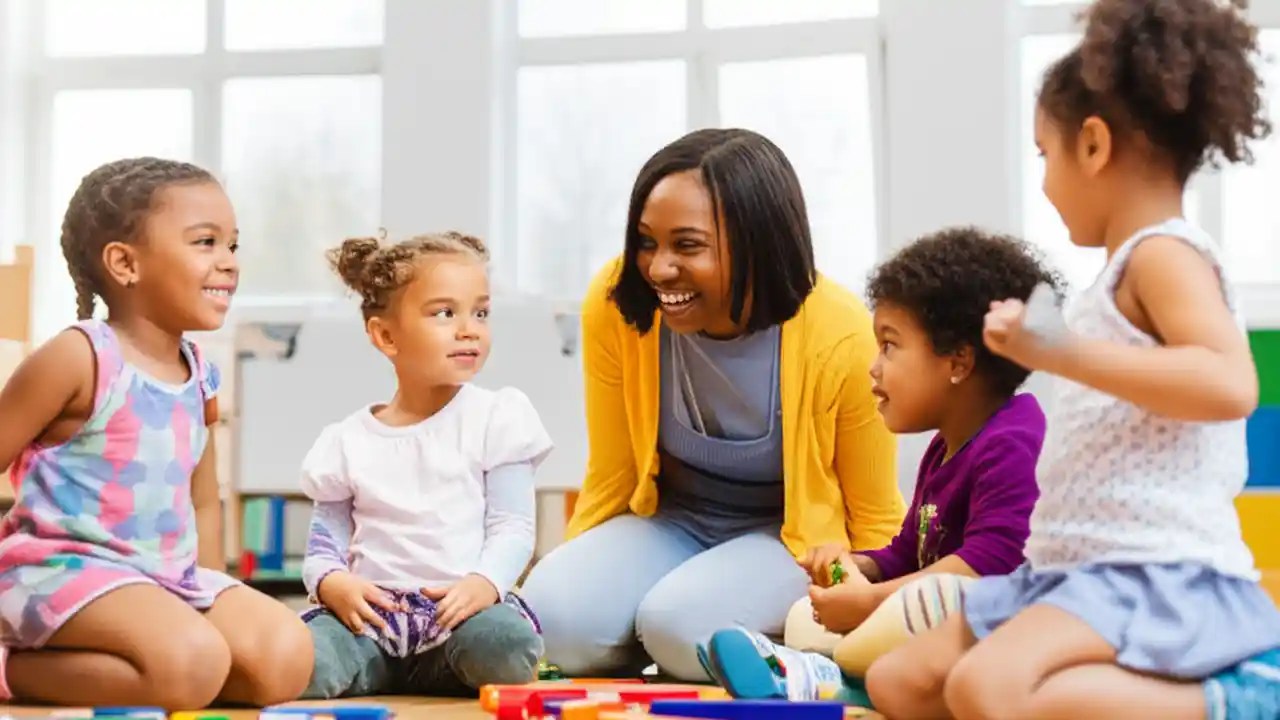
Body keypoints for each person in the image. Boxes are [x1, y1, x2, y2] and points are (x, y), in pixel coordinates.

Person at [866, 2, 1280, 718]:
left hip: (1151, 571)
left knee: (984, 687)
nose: (1046, 181)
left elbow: (1230, 383)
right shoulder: (1124, 268)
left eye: (1043, 155)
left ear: (1092, 146)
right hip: (1068, 571)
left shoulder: (1165, 255)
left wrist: (1063, 351)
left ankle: (1234, 699)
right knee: (899, 681)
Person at [520, 128, 905, 681]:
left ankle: (800, 665)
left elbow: (873, 513)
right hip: (672, 520)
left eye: (688, 245)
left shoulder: (843, 335)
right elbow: (611, 473)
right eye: (647, 241)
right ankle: (657, 642)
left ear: (758, 243)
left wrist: (872, 615)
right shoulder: (619, 304)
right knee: (551, 619)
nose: (658, 268)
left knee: (678, 626)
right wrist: (577, 575)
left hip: (790, 539)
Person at [0, 157, 312, 709]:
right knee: (191, 665)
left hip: (165, 577)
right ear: (125, 263)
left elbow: (203, 499)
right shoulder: (79, 356)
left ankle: (173, 667)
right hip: (62, 571)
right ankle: (12, 670)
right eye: (205, 243)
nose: (228, 264)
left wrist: (215, 595)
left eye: (232, 246)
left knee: (285, 657)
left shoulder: (200, 372)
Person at [702, 227, 1056, 702]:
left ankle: (816, 677)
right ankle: (825, 673)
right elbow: (908, 554)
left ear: (958, 362)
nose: (873, 366)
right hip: (934, 624)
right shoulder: (946, 446)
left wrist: (868, 602)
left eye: (889, 346)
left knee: (916, 608)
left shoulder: (1014, 440)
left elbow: (988, 567)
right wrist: (857, 567)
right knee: (805, 616)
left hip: (999, 624)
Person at [297, 231, 552, 699]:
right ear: (386, 335)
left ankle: (439, 666)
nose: (469, 329)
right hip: (368, 622)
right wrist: (333, 584)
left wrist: (485, 584)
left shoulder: (497, 417)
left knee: (505, 644)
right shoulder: (346, 441)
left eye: (481, 312)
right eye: (444, 313)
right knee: (300, 659)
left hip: (460, 616)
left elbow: (513, 526)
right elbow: (322, 546)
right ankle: (374, 668)